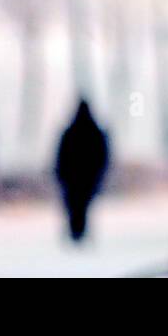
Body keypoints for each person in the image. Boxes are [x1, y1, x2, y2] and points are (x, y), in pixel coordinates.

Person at [55, 100, 110, 242]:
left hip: (72, 179)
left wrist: (61, 175)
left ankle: (76, 232)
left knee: (74, 206)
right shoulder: (95, 132)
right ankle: (79, 232)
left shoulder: (69, 132)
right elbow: (102, 156)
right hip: (88, 178)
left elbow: (61, 156)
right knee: (83, 206)